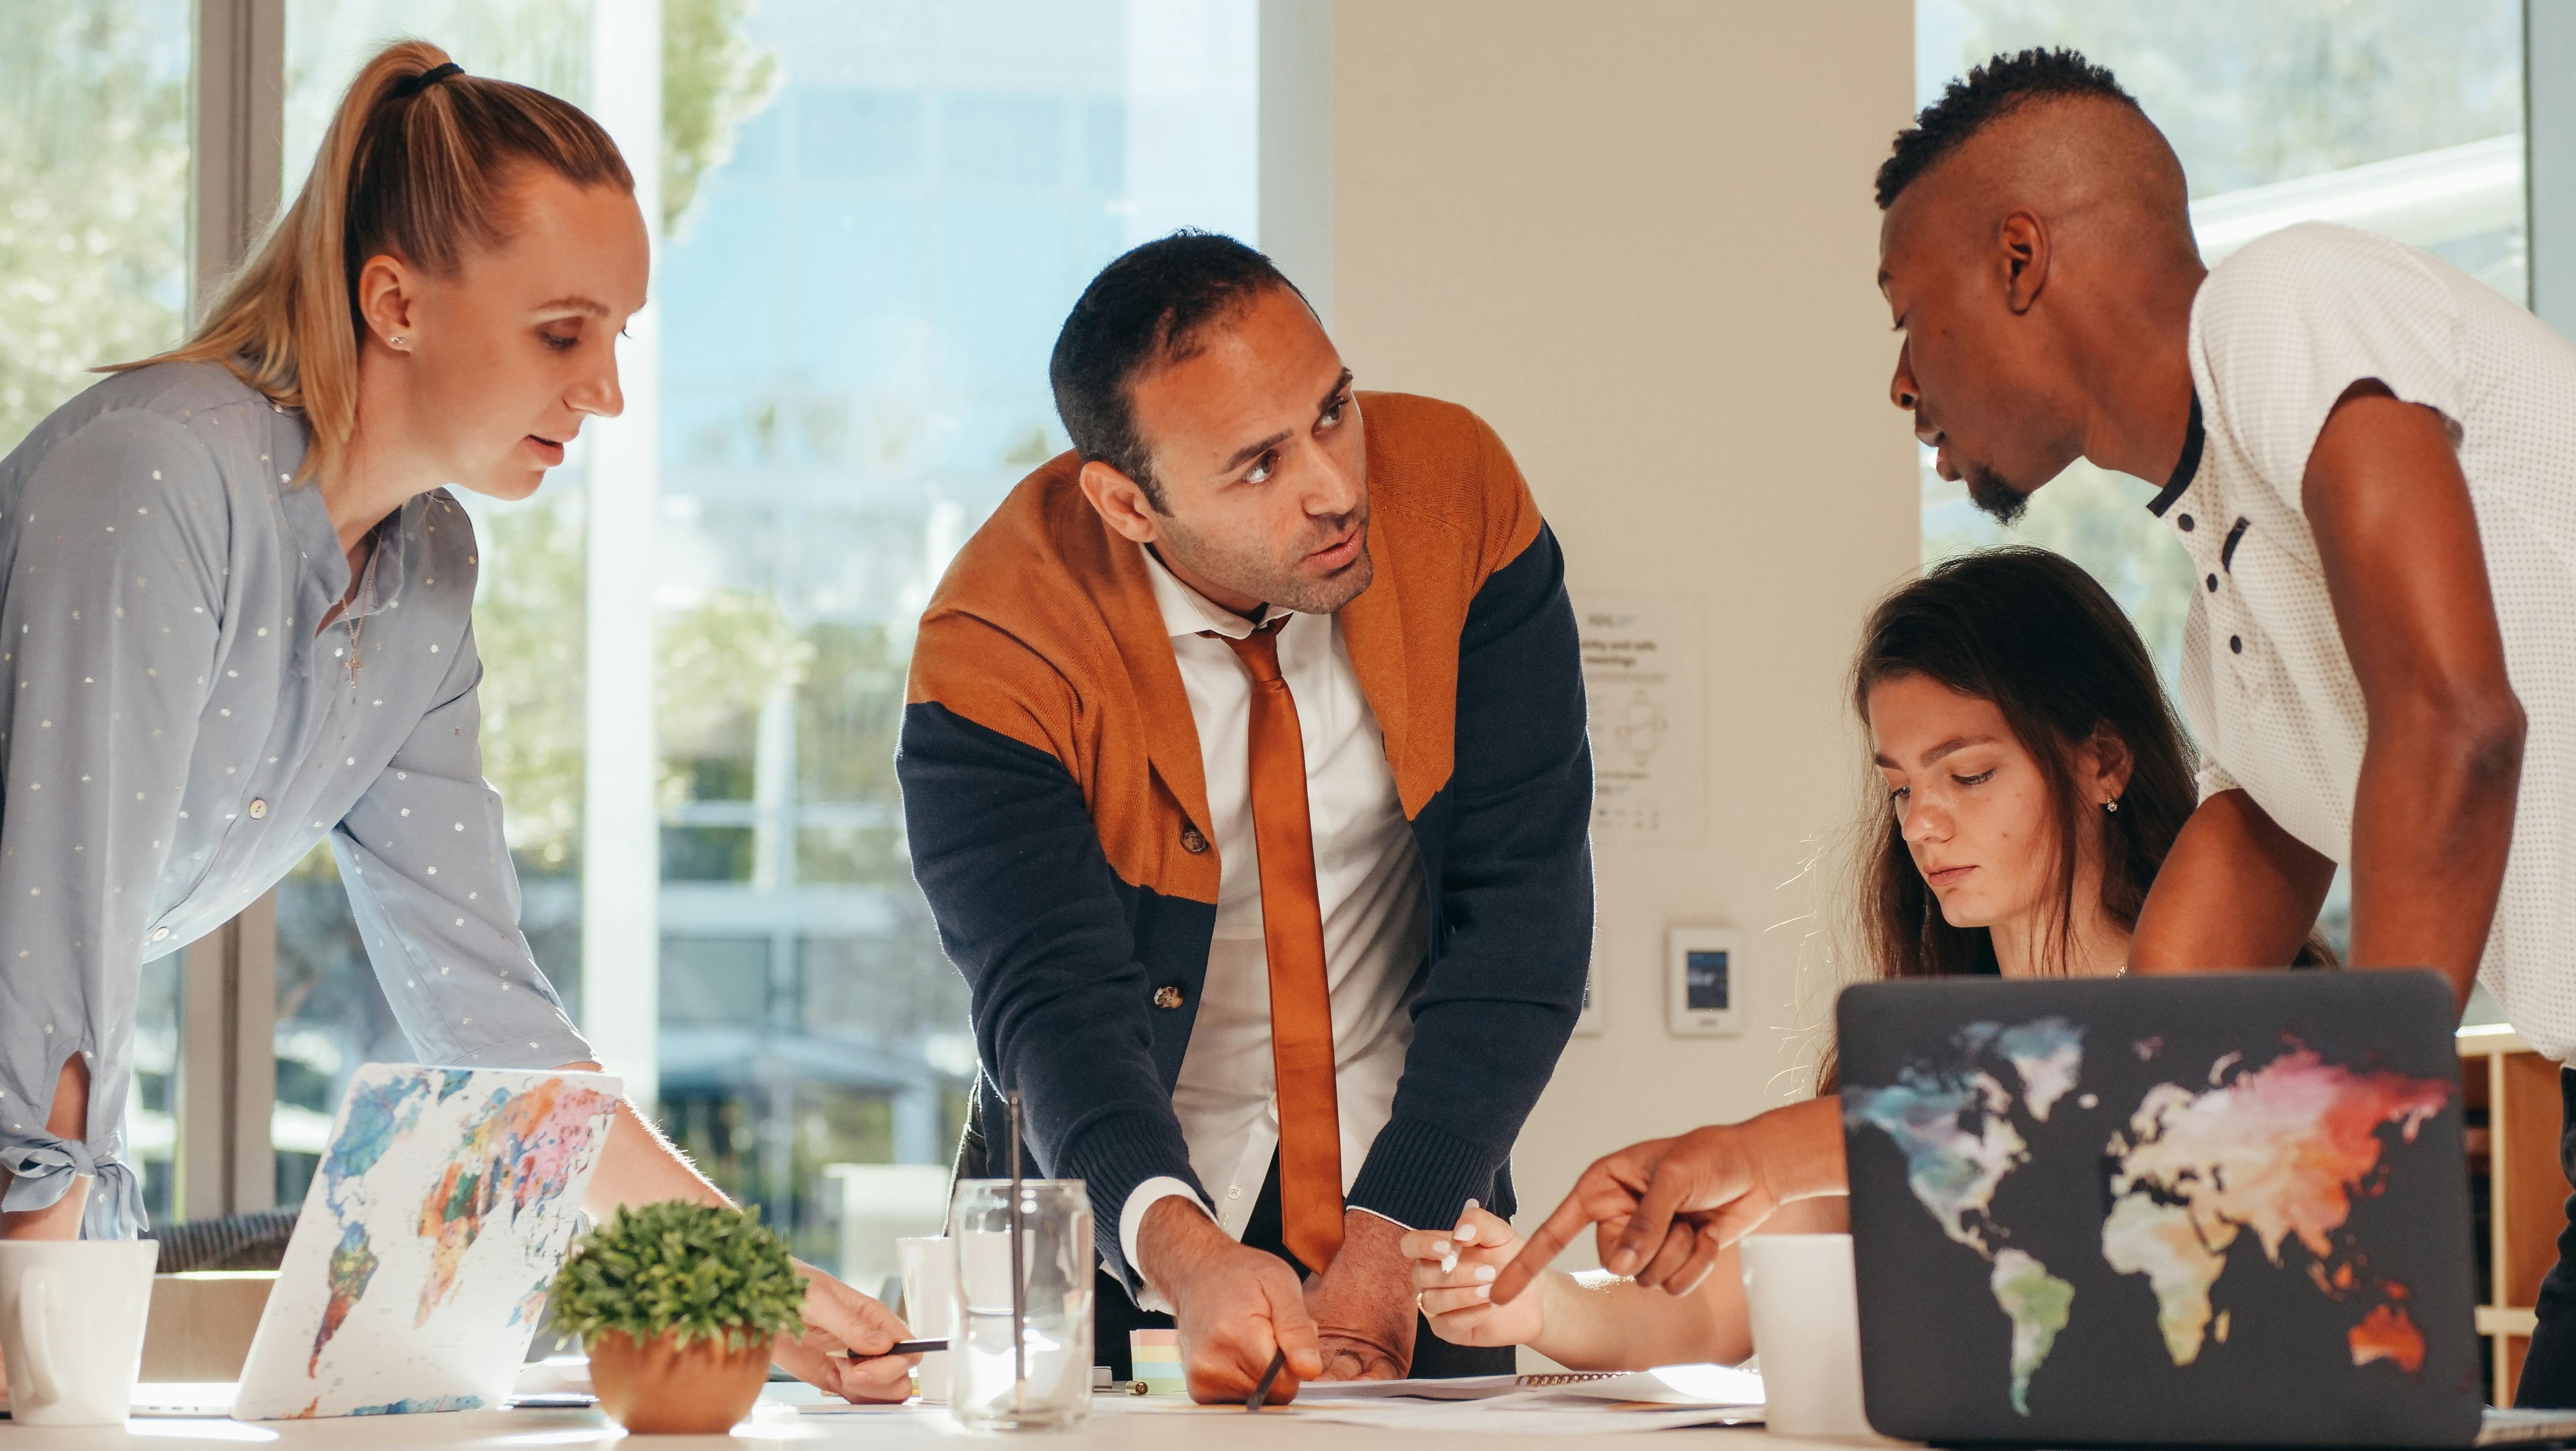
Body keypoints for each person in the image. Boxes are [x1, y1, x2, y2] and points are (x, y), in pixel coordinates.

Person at [1501, 44, 2576, 1405]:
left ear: (2019, 260)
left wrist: (2372, 1146)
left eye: (1907, 313)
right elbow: (2138, 1058)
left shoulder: (2285, 301)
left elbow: (2458, 718)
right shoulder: (2236, 656)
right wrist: (1762, 1152)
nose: (1901, 380)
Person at [0, 41, 912, 1402]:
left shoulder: (426, 570)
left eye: (617, 336)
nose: (605, 389)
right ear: (395, 303)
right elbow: (50, 948)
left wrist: (752, 1282)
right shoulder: (154, 480)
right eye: (563, 333)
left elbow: (483, 1007)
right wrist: (47, 1380)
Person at [897, 232, 1593, 1403]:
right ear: (1128, 502)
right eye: (1259, 465)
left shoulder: (1460, 502)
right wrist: (1180, 1249)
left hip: (1415, 1188)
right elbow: (1050, 1000)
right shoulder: (994, 642)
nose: (1335, 486)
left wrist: (1396, 1228)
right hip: (1110, 1209)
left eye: (1332, 412)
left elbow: (1526, 911)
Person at [1419, 546, 2210, 1365]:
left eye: (1969, 775)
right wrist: (1538, 1301)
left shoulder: (2218, 1030)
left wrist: (1766, 1153)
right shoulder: (1905, 1066)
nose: (1922, 823)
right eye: (1901, 787)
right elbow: (1718, 1306)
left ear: (2104, 759)